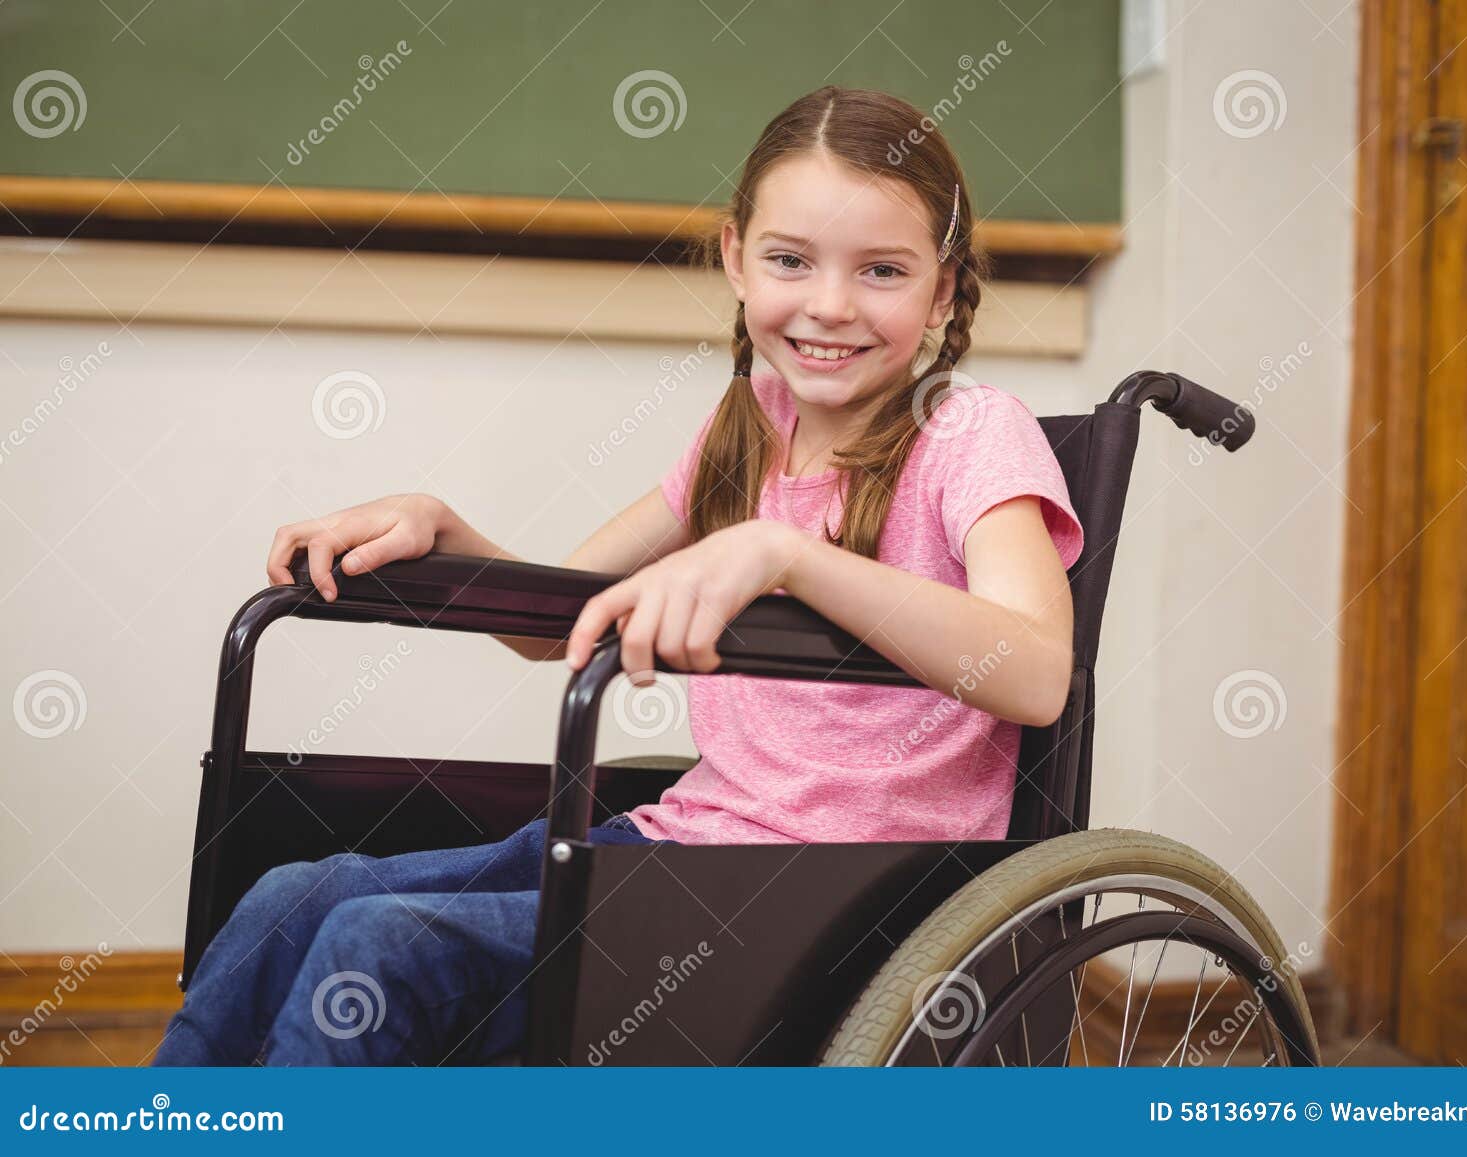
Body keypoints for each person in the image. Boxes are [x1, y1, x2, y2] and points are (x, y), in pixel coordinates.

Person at [153, 84, 1084, 1067]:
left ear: (941, 289)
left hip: (835, 899)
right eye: (789, 260)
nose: (829, 304)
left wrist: (789, 557)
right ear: (735, 257)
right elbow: (558, 620)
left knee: (375, 948)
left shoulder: (970, 432)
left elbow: (1034, 673)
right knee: (295, 894)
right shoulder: (747, 430)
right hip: (681, 846)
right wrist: (444, 530)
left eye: (882, 270)